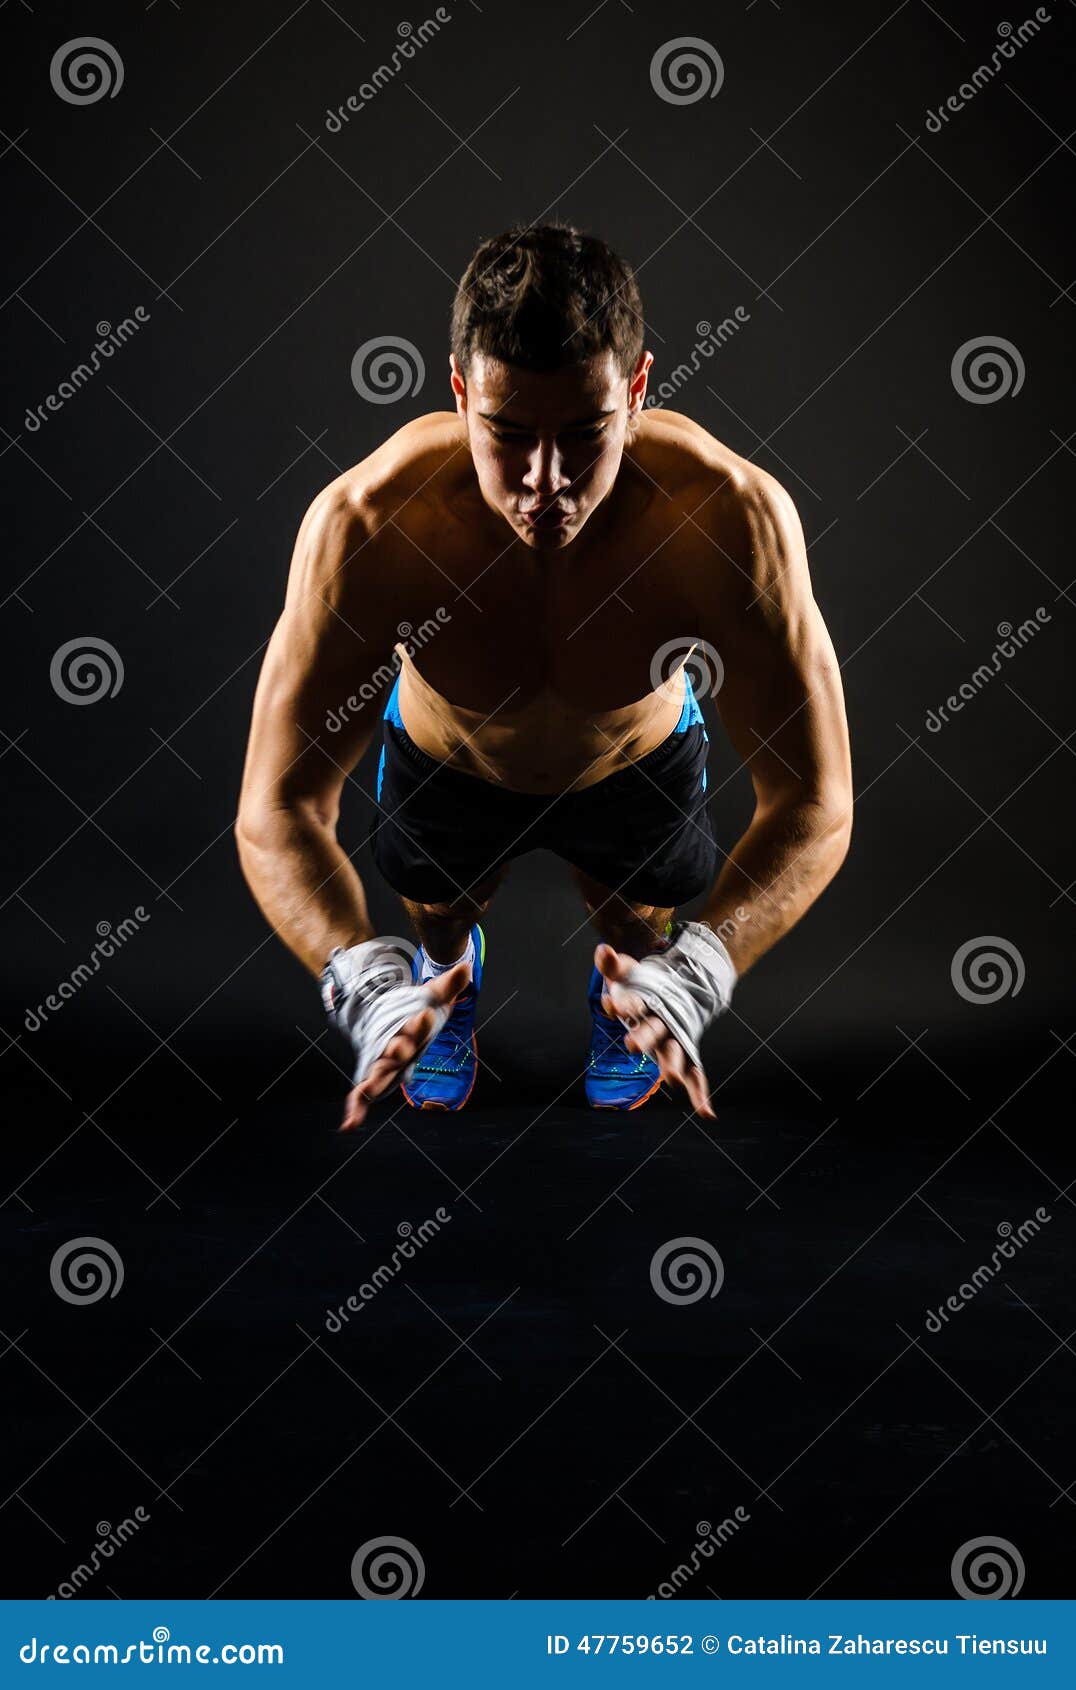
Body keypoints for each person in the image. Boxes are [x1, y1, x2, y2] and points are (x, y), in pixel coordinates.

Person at [235, 223, 852, 1131]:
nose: (546, 481)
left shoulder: (727, 518)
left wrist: (698, 972)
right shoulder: (370, 526)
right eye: (510, 435)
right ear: (459, 392)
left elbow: (816, 800)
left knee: (642, 936)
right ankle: (440, 988)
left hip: (631, 765)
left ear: (637, 391)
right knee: (437, 923)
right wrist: (367, 986)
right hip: (451, 762)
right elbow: (275, 808)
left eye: (587, 434)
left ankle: (629, 999)